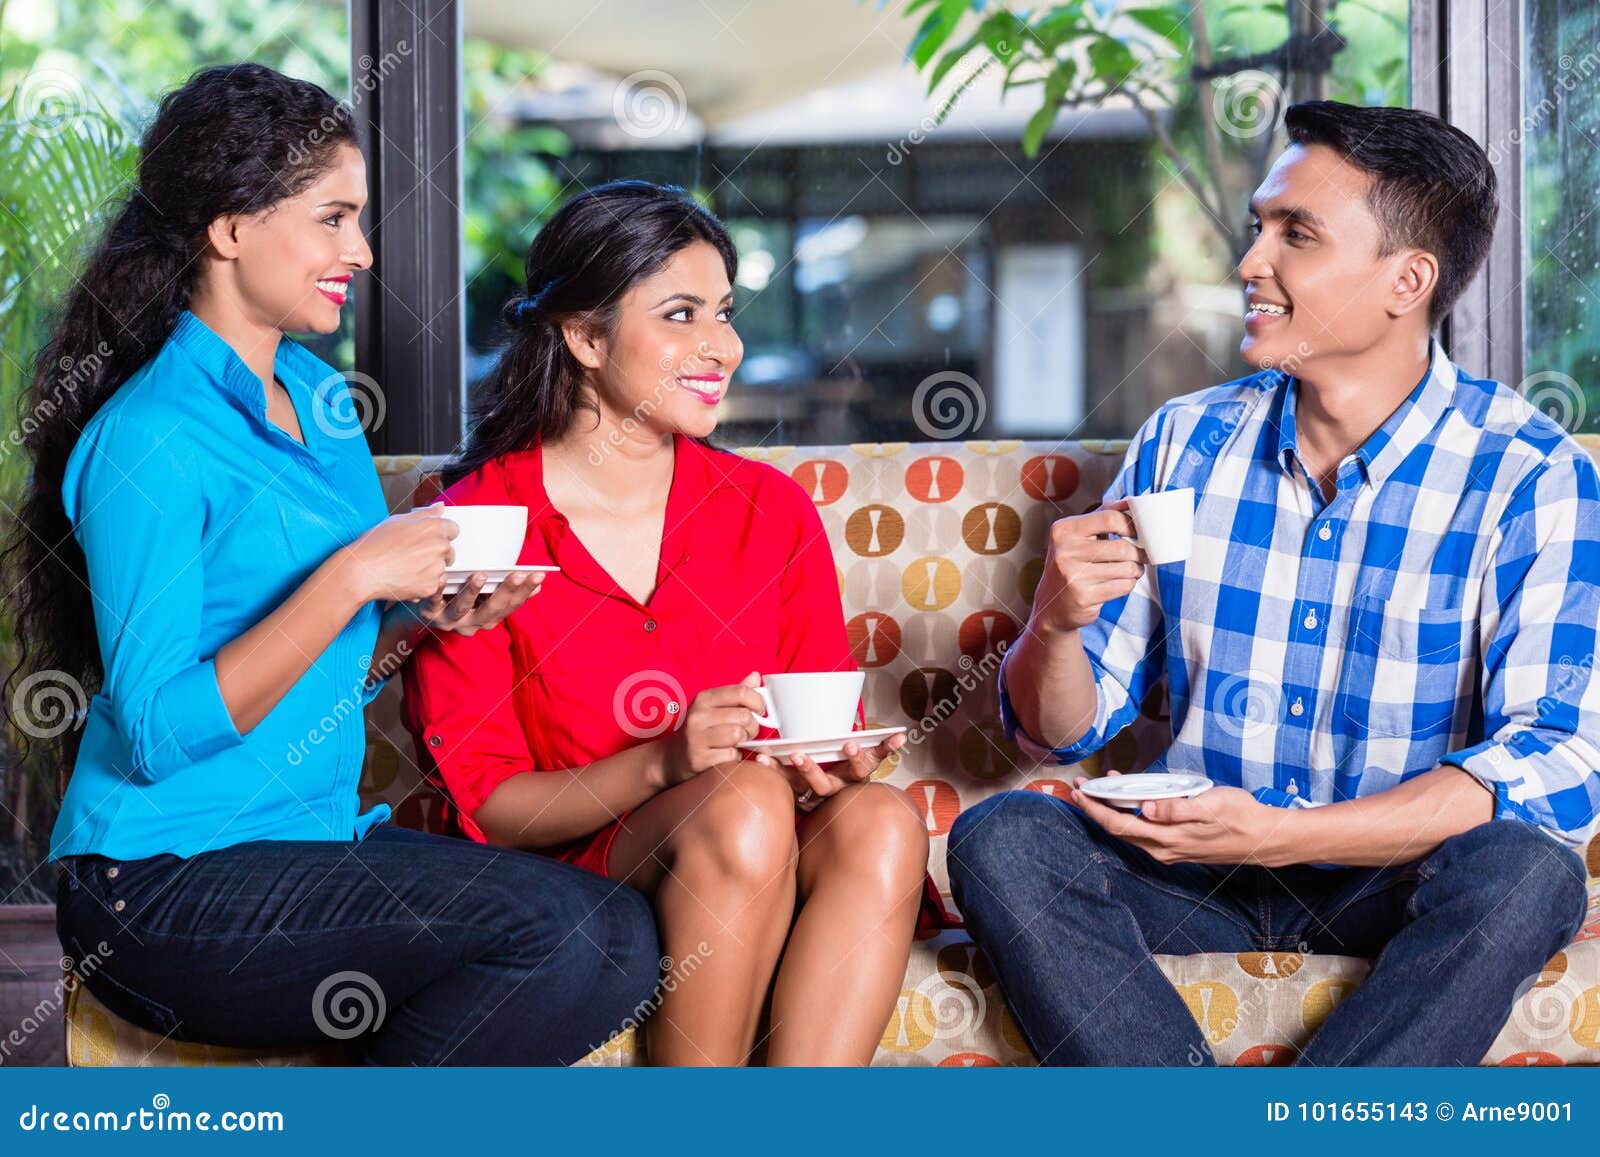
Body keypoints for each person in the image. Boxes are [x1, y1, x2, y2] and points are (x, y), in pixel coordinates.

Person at [2, 64, 660, 1066]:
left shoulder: (315, 400)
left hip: (308, 840)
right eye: (332, 218)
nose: (359, 250)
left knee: (617, 934)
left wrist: (420, 621)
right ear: (229, 228)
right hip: (161, 880)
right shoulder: (150, 437)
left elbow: (313, 678)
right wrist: (350, 578)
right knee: (555, 938)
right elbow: (154, 734)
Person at [948, 101, 1598, 1066]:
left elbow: (1555, 763)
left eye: (1296, 234)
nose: (1251, 261)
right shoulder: (1183, 439)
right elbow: (1059, 729)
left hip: (1391, 879)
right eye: (1259, 227)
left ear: (1407, 281)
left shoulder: (1528, 471)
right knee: (1003, 838)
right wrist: (1054, 621)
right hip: (1194, 871)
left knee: (1528, 871)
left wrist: (1291, 832)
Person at [402, 180, 948, 1066]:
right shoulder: (480, 524)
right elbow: (493, 809)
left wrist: (833, 764)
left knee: (882, 819)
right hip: (571, 868)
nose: (722, 347)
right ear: (583, 336)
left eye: (726, 313)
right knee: (741, 801)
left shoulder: (769, 510)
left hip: (757, 840)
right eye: (682, 314)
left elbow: (811, 740)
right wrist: (667, 760)